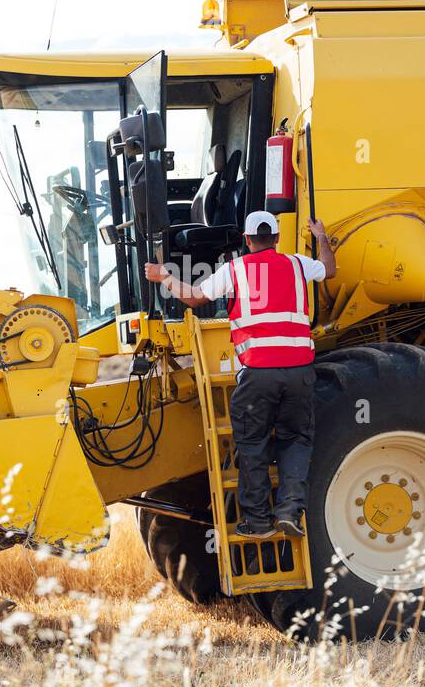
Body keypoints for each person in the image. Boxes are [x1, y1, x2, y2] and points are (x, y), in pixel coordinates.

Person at [144, 210, 336, 539]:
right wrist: (320, 237)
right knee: (296, 440)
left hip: (259, 373)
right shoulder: (297, 264)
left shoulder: (235, 269)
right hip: (300, 372)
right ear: (276, 238)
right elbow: (329, 269)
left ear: (246, 241)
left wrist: (164, 276)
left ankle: (258, 522)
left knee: (252, 444)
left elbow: (194, 298)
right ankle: (290, 510)